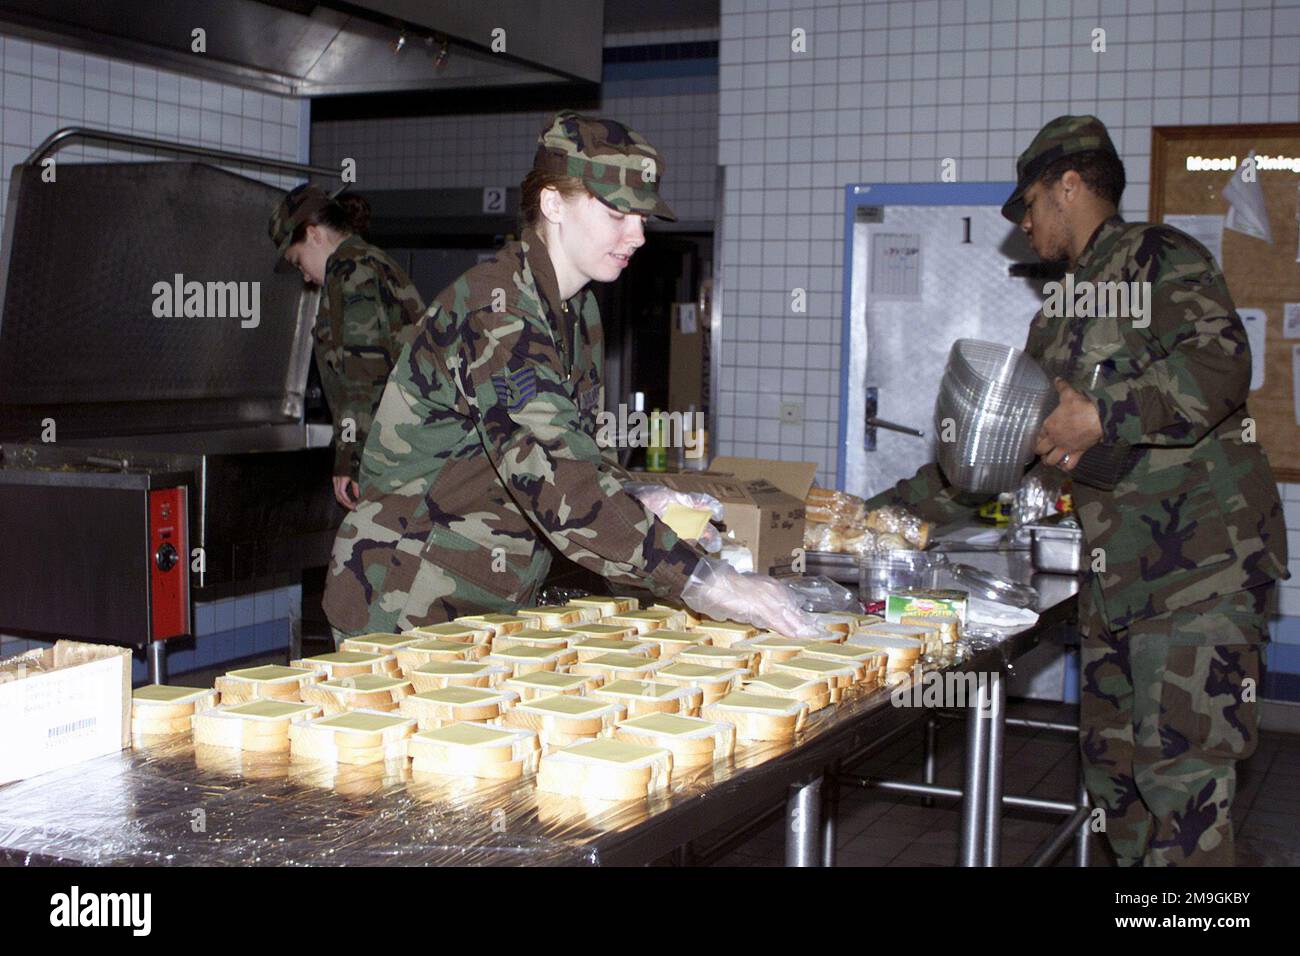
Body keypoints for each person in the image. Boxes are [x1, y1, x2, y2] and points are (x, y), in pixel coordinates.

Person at [864, 115, 1290, 866]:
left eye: (1028, 204)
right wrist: (877, 516)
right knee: (1118, 795)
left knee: (1185, 808)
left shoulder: (1158, 258)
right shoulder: (1056, 320)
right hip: (1118, 588)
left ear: (1068, 185)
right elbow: (991, 466)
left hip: (1201, 582)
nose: (1025, 224)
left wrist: (1103, 414)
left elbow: (1222, 366)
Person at [322, 111, 820, 641]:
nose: (638, 235)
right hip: (402, 600)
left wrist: (641, 497)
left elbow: (575, 452)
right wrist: (708, 583)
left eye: (644, 218)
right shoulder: (498, 312)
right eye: (616, 213)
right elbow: (561, 483)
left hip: (478, 599)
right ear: (553, 203)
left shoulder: (575, 310)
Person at [268, 184, 425, 510]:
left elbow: (362, 369)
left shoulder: (349, 270)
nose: (306, 277)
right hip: (411, 449)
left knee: (366, 556)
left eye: (298, 262)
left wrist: (350, 460)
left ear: (314, 235)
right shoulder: (373, 261)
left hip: (393, 455)